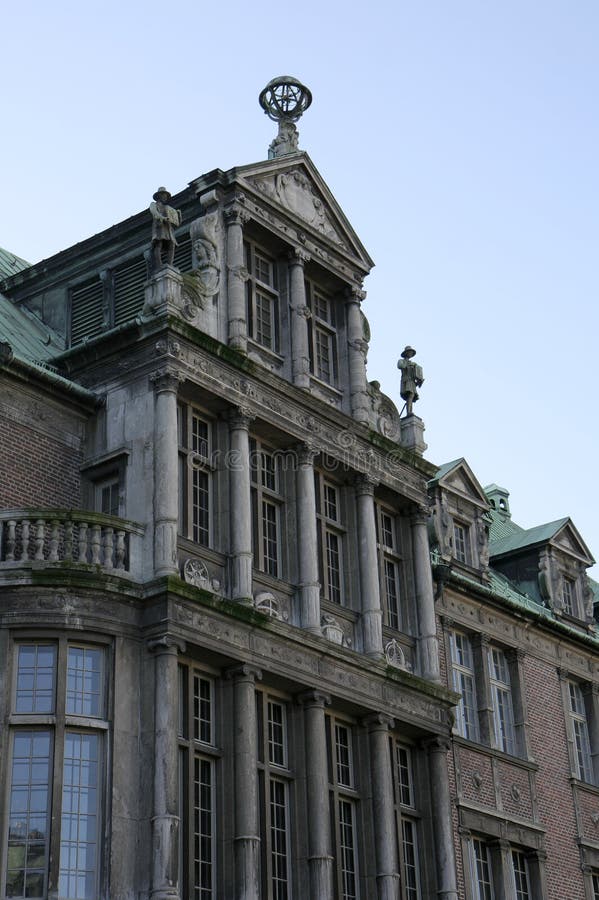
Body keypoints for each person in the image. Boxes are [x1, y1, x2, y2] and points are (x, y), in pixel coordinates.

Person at [150, 187, 181, 271]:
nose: (165, 197)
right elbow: (154, 212)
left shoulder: (168, 208)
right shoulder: (154, 204)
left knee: (172, 244)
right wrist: (162, 218)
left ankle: (170, 265)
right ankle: (159, 265)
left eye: (166, 196)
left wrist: (178, 215)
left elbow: (176, 223)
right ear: (159, 196)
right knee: (159, 243)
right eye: (164, 195)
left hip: (168, 227)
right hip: (159, 226)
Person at [397, 345, 424, 416]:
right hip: (406, 380)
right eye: (409, 352)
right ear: (406, 353)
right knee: (410, 395)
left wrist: (419, 381)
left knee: (411, 396)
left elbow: (416, 375)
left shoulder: (414, 364)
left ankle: (409, 411)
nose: (410, 354)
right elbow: (400, 366)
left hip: (412, 381)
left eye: (411, 353)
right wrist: (407, 362)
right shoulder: (401, 361)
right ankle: (409, 412)